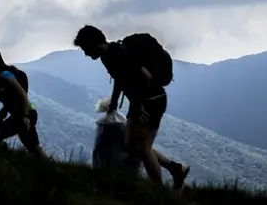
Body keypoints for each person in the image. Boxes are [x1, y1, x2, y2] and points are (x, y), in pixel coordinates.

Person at [74, 25, 191, 191]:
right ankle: (175, 169)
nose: (85, 53)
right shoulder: (107, 56)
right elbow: (119, 79)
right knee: (132, 146)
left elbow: (146, 77)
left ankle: (159, 192)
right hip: (142, 102)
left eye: (85, 48)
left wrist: (138, 105)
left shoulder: (118, 54)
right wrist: (114, 102)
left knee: (142, 148)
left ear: (93, 42)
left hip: (151, 101)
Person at [0, 46, 47, 158]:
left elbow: (22, 95)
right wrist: (3, 113)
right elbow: (9, 98)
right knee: (34, 149)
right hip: (21, 115)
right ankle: (52, 169)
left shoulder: (5, 76)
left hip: (25, 114)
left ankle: (1, 154)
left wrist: (25, 116)